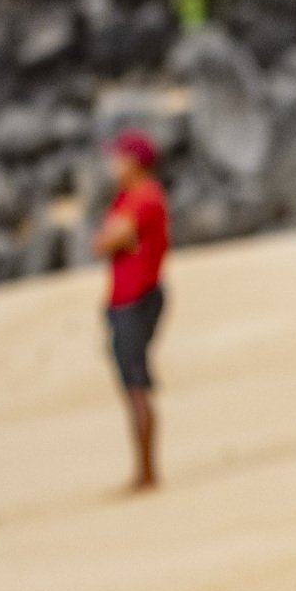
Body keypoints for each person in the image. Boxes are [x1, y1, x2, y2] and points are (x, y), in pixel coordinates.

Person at [90, 130, 170, 492]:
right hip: (127, 298)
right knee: (131, 385)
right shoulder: (129, 197)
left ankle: (146, 472)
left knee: (136, 386)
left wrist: (110, 238)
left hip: (136, 299)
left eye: (119, 157)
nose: (112, 163)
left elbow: (109, 240)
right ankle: (144, 469)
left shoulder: (143, 198)